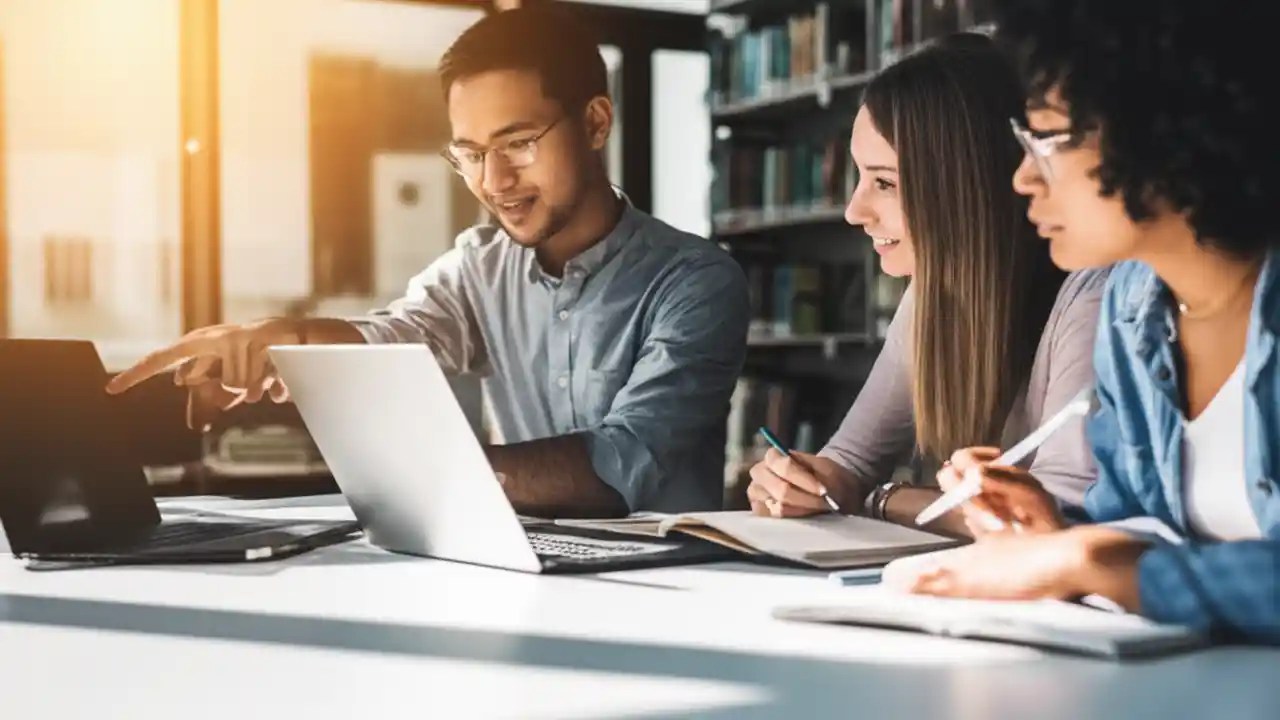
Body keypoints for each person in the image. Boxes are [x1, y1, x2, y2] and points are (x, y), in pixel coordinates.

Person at [106, 7, 749, 519]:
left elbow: (627, 461)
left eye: (518, 143)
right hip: (522, 573)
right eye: (469, 153)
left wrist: (434, 471)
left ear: (597, 122)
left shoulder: (695, 282)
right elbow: (394, 336)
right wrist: (282, 340)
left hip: (669, 589)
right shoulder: (477, 267)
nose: (494, 180)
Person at [892, 0, 1280, 643]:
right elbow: (1142, 527)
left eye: (1046, 138)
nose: (1021, 178)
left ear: (1167, 127)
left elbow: (1128, 566)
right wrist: (1054, 532)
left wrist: (1090, 561)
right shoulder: (1133, 307)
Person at [746, 34, 1106, 537]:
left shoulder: (1093, 296)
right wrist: (798, 484)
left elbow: (1053, 515)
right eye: (860, 177)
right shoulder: (931, 297)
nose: (854, 211)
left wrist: (878, 498)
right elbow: (847, 463)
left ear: (964, 185)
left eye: (885, 182)